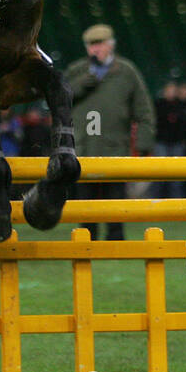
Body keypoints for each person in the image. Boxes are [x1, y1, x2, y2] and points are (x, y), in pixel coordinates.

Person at [64, 24, 156, 240]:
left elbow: (143, 111)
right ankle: (87, 240)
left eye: (100, 45)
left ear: (111, 46)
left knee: (116, 202)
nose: (95, 50)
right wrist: (87, 80)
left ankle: (116, 241)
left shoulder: (126, 71)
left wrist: (144, 144)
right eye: (91, 45)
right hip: (83, 149)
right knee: (86, 203)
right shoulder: (77, 71)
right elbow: (60, 98)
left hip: (115, 149)